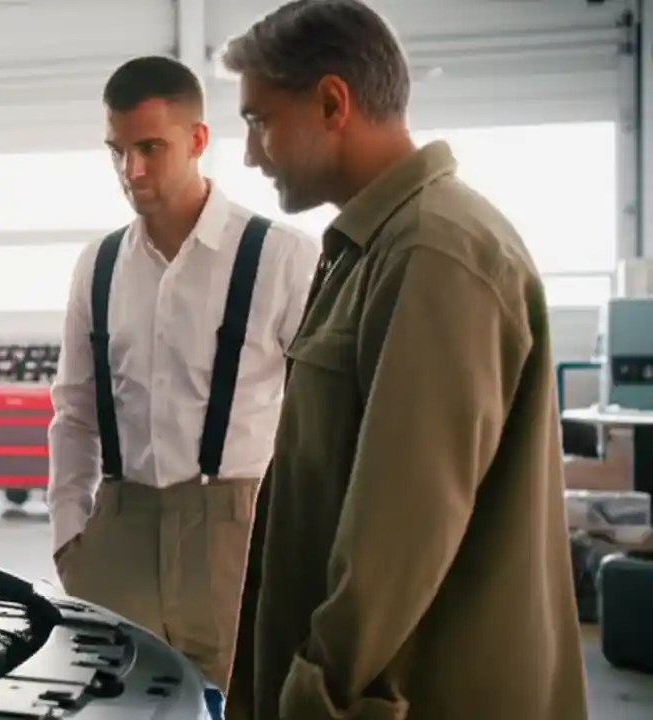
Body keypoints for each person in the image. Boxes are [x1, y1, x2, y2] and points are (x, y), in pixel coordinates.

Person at [219, 2, 588, 719]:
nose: (251, 154)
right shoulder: (378, 247)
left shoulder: (433, 253)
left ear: (332, 102)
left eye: (259, 121)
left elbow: (402, 528)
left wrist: (316, 689)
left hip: (414, 693)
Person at [47, 55, 319, 710]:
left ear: (197, 140)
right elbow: (75, 410)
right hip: (119, 527)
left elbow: (324, 419)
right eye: (118, 151)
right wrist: (67, 534)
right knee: (120, 707)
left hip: (235, 528)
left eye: (150, 148)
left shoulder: (281, 256)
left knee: (245, 703)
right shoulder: (100, 264)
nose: (131, 170)